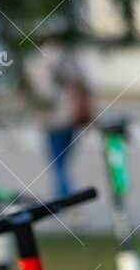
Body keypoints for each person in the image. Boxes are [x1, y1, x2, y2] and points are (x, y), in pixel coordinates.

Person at [26, 32, 92, 199]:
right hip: (69, 116)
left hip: (49, 118)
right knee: (64, 160)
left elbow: (36, 92)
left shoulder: (35, 61)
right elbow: (83, 83)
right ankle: (64, 194)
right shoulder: (69, 59)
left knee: (56, 160)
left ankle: (64, 195)